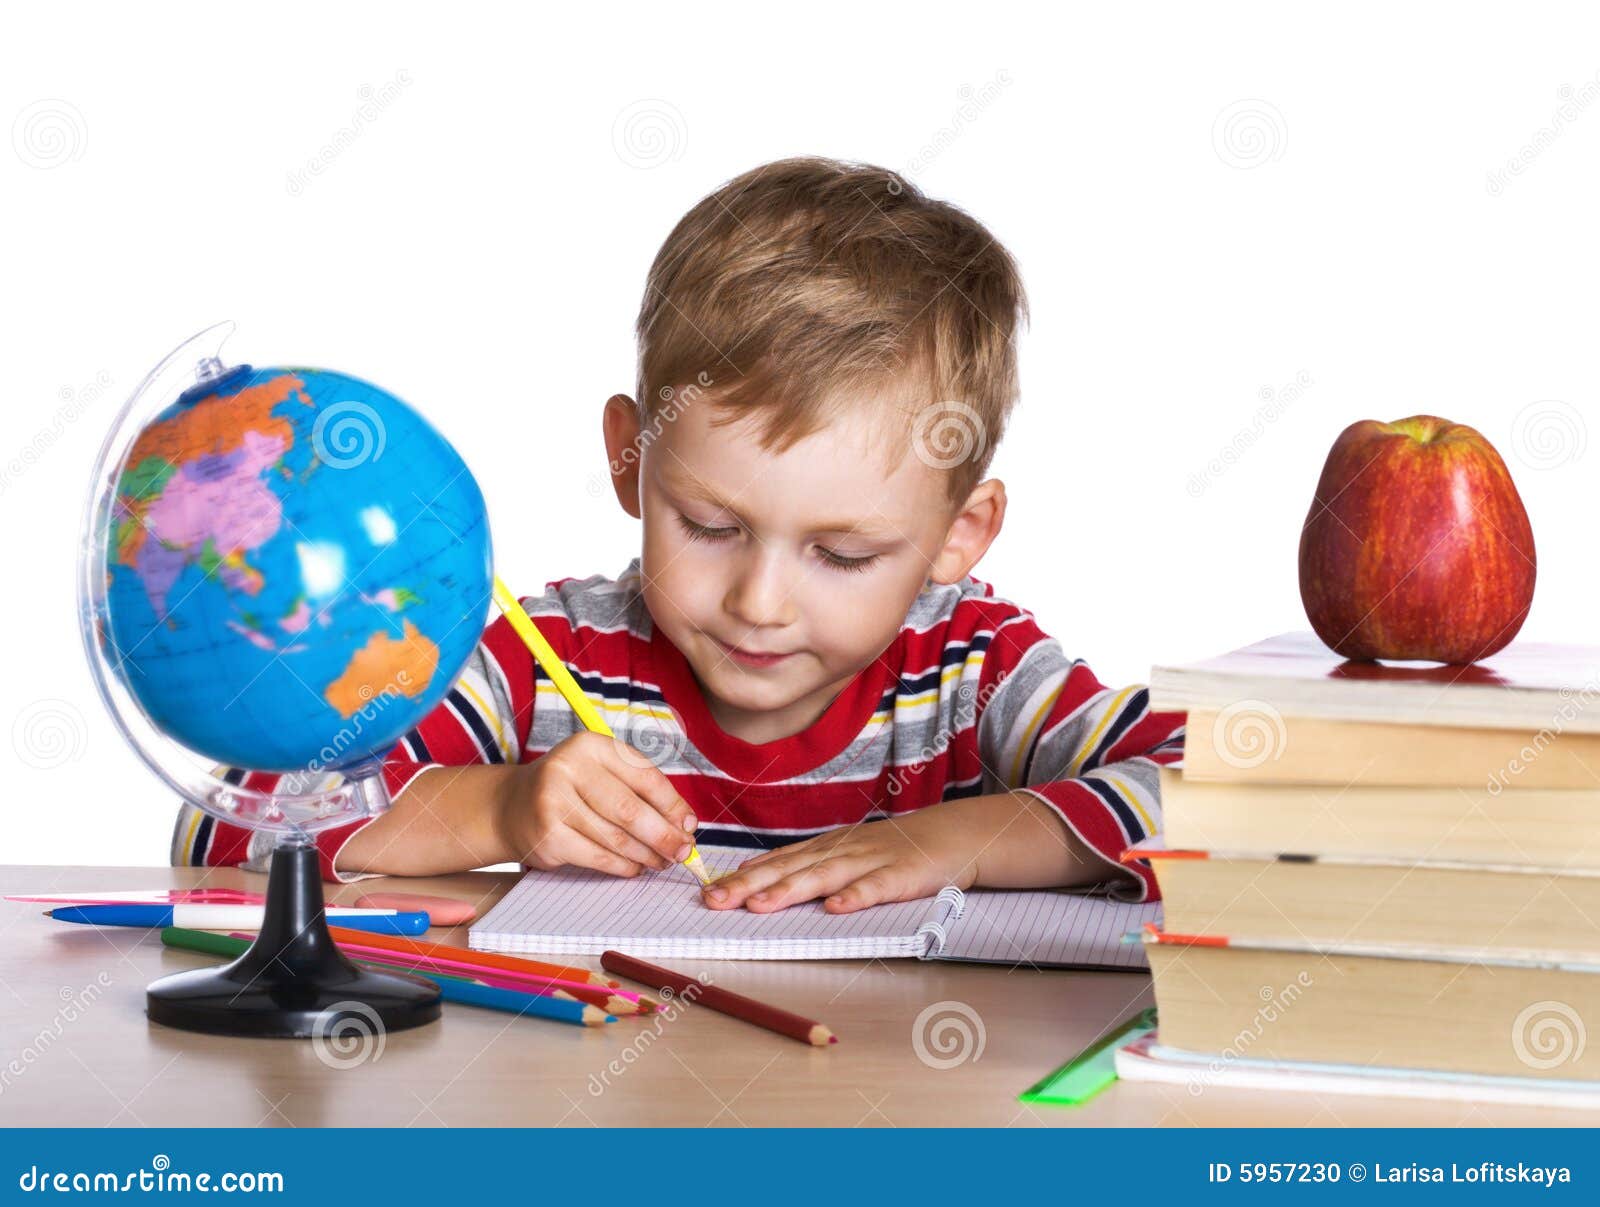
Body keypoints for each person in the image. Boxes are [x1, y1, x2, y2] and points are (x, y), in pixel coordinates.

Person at [174, 156, 1184, 913]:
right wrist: (503, 810)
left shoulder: (970, 669)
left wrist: (968, 835)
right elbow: (228, 825)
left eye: (841, 554)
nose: (758, 602)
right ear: (631, 459)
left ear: (960, 533)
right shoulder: (552, 658)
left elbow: (1230, 792)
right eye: (709, 525)